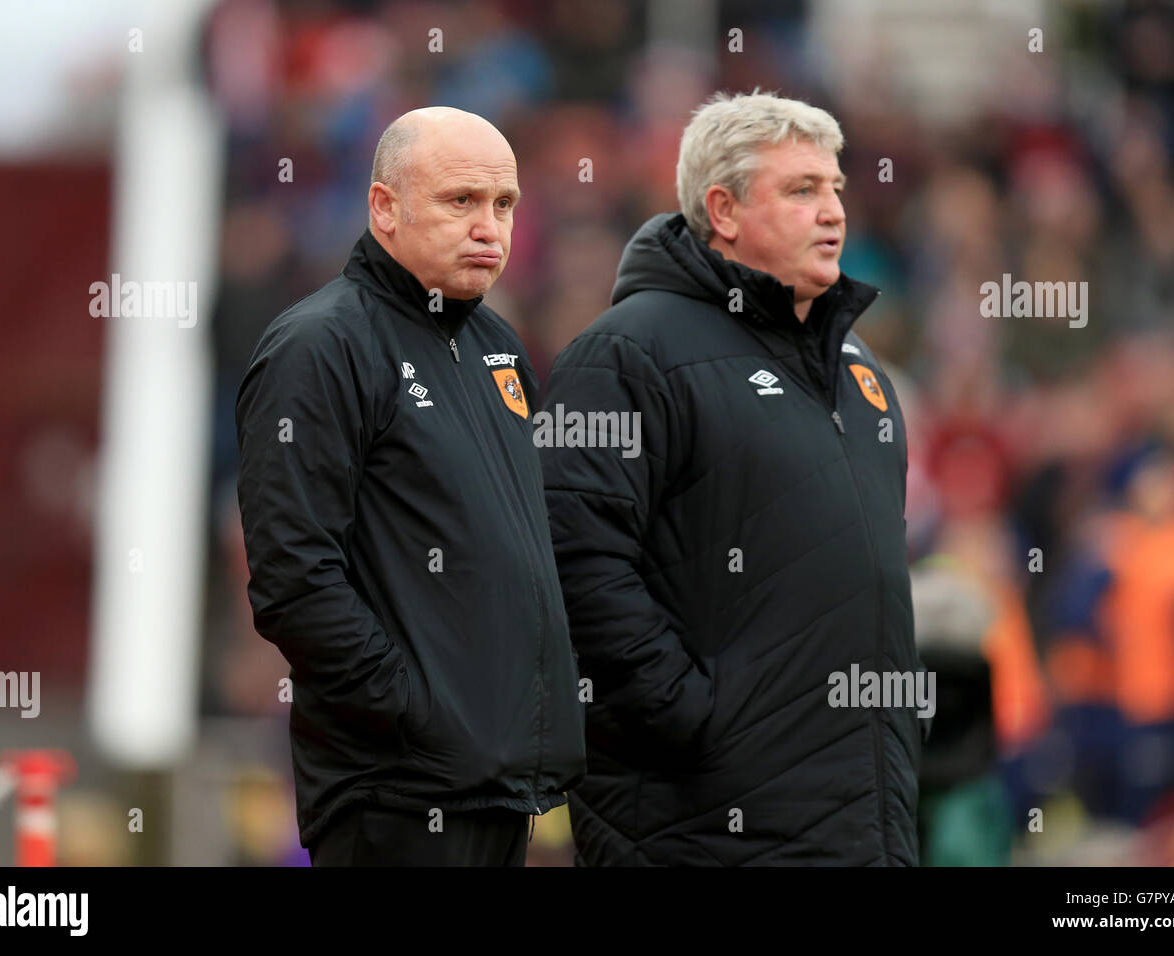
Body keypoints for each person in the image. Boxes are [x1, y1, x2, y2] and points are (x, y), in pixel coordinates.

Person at [539, 90, 926, 865]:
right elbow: (571, 561)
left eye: (836, 189)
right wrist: (696, 716)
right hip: (704, 826)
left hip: (864, 822)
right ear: (723, 209)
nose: (834, 213)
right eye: (802, 190)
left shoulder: (862, 374)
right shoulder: (627, 354)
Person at [235, 107, 584, 866]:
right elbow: (294, 580)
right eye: (461, 201)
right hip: (395, 795)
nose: (489, 226)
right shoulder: (319, 347)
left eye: (504, 205)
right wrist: (416, 710)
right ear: (384, 207)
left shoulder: (498, 346)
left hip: (498, 783)